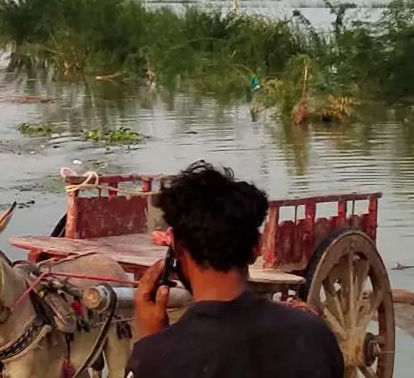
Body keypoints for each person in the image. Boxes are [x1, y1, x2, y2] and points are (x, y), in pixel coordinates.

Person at [128, 161, 343, 378]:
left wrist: (155, 345)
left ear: (177, 247)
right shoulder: (315, 335)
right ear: (256, 247)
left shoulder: (154, 360)